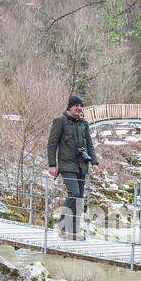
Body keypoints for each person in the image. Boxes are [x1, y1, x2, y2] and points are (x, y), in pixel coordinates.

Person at [47, 95, 98, 240]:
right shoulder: (60, 121)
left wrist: (94, 162)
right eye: (76, 105)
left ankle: (74, 231)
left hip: (82, 165)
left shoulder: (83, 124)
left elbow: (89, 144)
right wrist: (52, 164)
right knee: (74, 193)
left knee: (79, 199)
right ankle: (62, 224)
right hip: (67, 164)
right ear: (69, 107)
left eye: (80, 105)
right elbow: (52, 144)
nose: (79, 108)